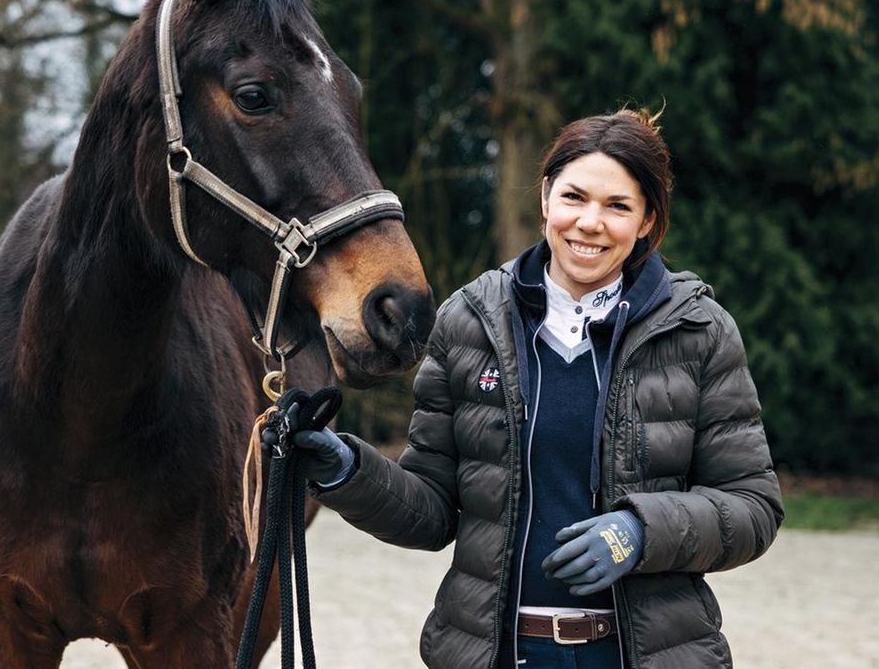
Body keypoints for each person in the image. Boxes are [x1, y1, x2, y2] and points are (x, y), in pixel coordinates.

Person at [289, 108, 783, 669]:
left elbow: (752, 506)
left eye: (618, 206)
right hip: (499, 654)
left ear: (647, 220)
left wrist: (640, 531)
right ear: (546, 197)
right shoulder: (467, 321)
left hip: (641, 657)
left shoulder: (699, 330)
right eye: (574, 197)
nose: (590, 222)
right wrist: (348, 472)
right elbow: (432, 511)